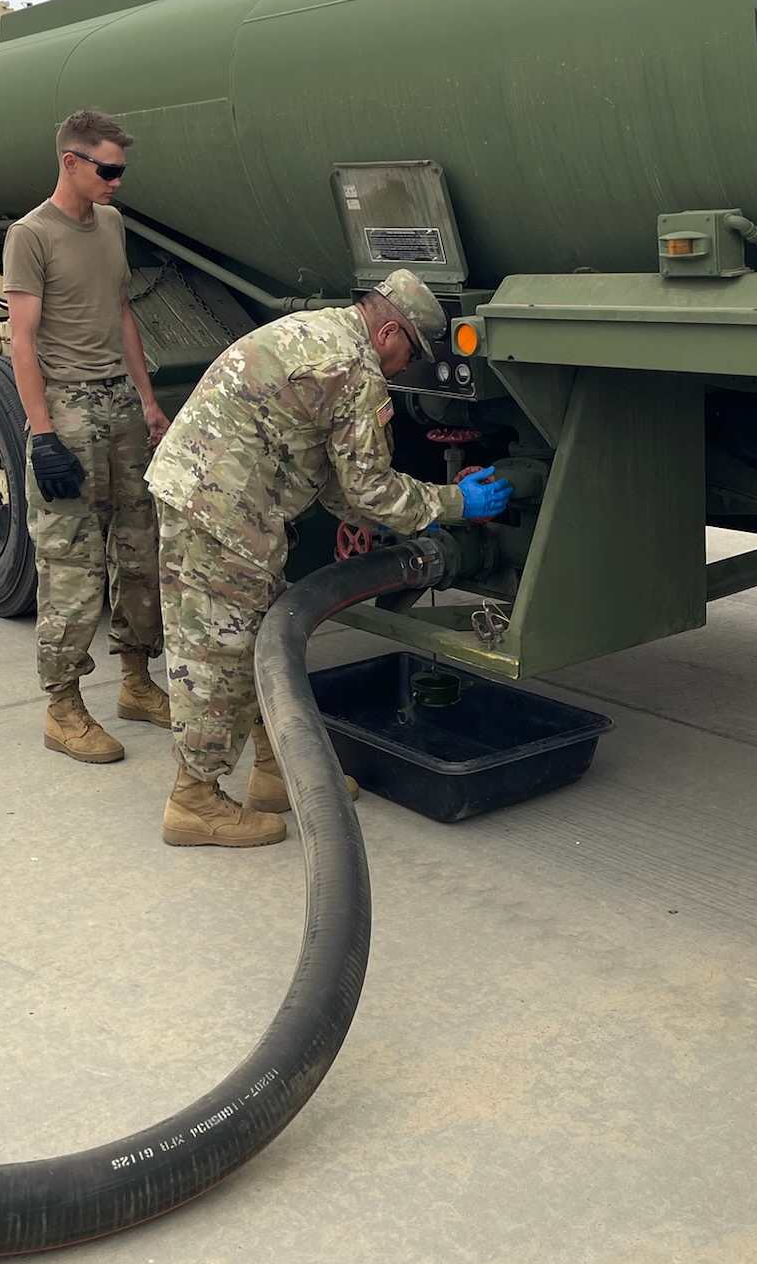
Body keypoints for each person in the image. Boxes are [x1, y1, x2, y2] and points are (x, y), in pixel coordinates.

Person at [147, 269, 513, 848]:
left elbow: (342, 487)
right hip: (221, 508)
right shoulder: (355, 370)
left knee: (262, 641)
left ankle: (276, 772)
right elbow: (368, 490)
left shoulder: (322, 333)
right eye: (410, 354)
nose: (406, 368)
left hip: (221, 497)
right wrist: (453, 502)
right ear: (389, 331)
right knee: (219, 647)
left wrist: (431, 508)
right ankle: (193, 800)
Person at [3, 109, 172, 764]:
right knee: (72, 563)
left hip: (121, 407)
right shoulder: (31, 235)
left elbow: (124, 313)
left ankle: (136, 680)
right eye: (109, 170)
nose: (117, 183)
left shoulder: (111, 224)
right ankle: (63, 707)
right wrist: (43, 434)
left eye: (121, 171)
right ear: (71, 162)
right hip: (68, 412)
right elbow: (21, 342)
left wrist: (149, 401)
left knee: (138, 550)